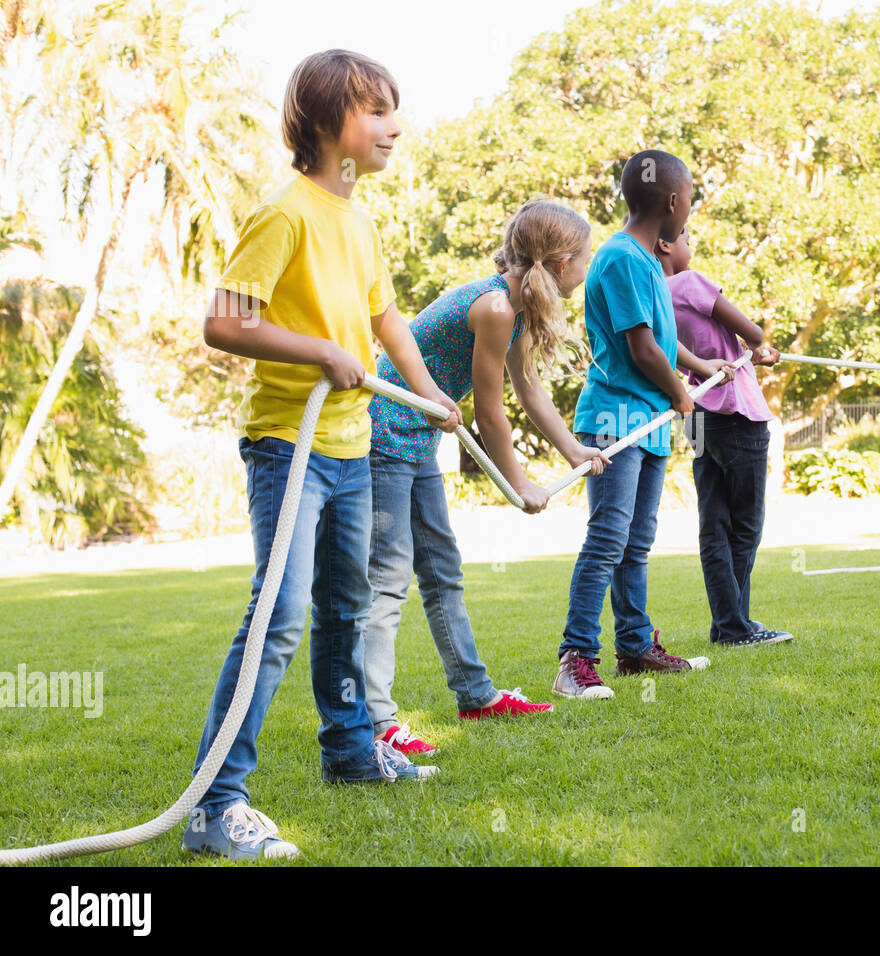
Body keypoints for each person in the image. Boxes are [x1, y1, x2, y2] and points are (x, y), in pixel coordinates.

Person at [186, 50, 463, 861]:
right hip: (289, 448)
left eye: (393, 110)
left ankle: (350, 753)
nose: (395, 127)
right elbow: (225, 323)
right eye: (376, 111)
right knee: (279, 619)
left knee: (345, 611)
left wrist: (429, 392)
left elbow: (388, 322)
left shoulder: (361, 220)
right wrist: (317, 352)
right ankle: (215, 805)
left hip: (354, 447)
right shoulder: (286, 213)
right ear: (323, 121)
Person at [363, 199, 611, 753]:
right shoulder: (495, 306)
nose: (587, 266)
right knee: (387, 579)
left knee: (442, 572)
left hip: (417, 439)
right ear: (563, 260)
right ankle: (374, 724)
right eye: (586, 256)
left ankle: (476, 697)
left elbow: (529, 391)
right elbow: (489, 413)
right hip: (383, 435)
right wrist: (519, 484)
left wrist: (574, 451)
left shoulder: (518, 305)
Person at [553, 149, 734, 699]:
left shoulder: (648, 261)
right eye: (691, 198)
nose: (690, 210)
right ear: (674, 201)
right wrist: (682, 392)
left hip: (647, 423)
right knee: (608, 539)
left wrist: (703, 367)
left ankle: (634, 649)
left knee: (635, 543)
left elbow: (661, 337)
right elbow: (640, 348)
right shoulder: (622, 258)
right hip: (615, 421)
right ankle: (575, 659)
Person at [654, 225, 790, 647]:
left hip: (696, 411)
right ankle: (733, 625)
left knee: (713, 524)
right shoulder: (690, 282)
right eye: (687, 240)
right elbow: (753, 332)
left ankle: (733, 623)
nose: (690, 248)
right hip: (735, 411)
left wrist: (748, 356)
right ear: (666, 244)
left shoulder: (650, 293)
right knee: (746, 524)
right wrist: (758, 348)